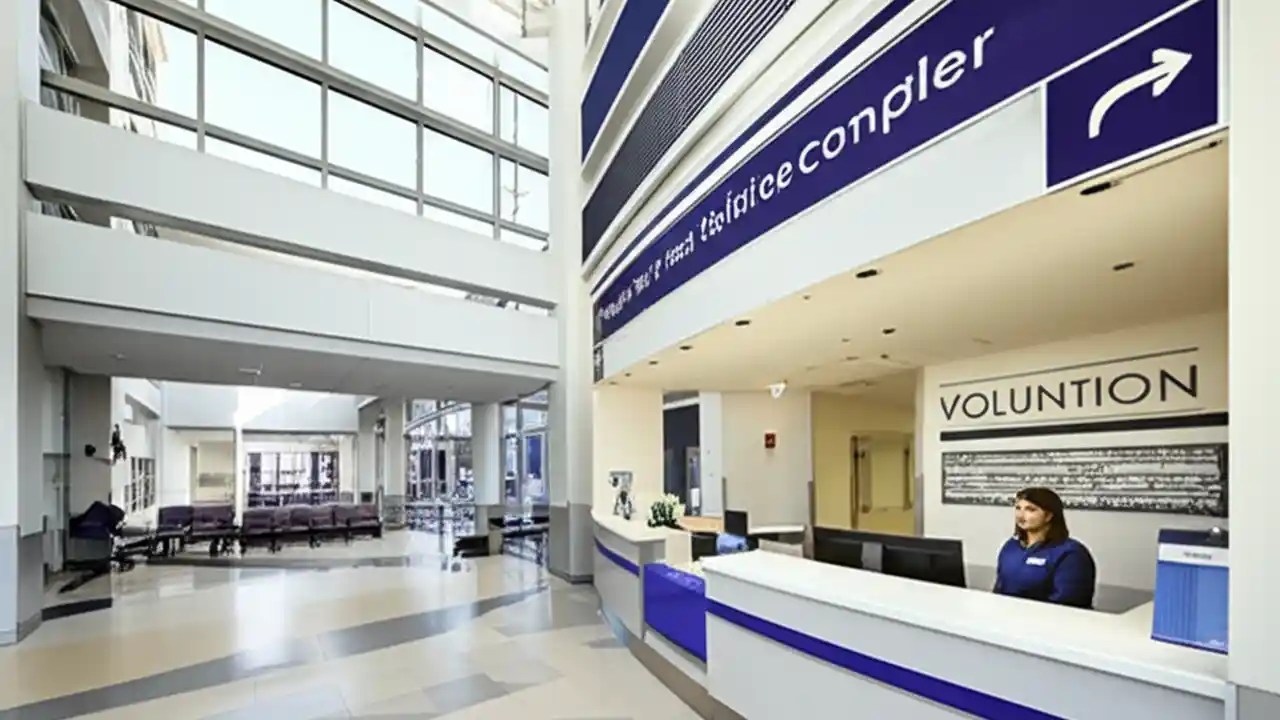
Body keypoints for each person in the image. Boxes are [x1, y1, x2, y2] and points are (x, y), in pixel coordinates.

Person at [993, 487, 1096, 609]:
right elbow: (999, 591)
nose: (1020, 515)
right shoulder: (1011, 546)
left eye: (1030, 509)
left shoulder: (1071, 553)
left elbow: (1067, 604)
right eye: (1018, 508)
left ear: (1048, 516)